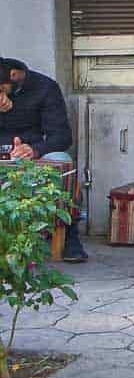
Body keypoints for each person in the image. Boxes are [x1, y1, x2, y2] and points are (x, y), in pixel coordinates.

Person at [0, 57, 85, 262]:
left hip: (31, 153)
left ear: (14, 76)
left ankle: (69, 236)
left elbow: (62, 137)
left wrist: (34, 150)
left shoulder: (44, 88)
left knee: (62, 161)